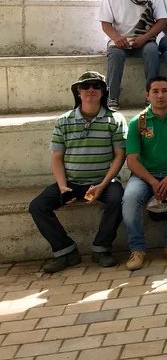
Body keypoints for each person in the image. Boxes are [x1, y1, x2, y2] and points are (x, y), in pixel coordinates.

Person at [28, 71, 126, 273]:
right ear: (78, 92)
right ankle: (65, 251)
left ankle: (101, 248)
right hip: (71, 182)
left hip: (103, 182)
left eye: (96, 86)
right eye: (86, 86)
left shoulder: (114, 119)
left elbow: (119, 156)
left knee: (119, 199)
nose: (91, 90)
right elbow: (56, 157)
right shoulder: (64, 120)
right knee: (37, 206)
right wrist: (63, 186)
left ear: (103, 92)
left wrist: (103, 184)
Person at [122, 76, 167, 270]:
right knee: (129, 198)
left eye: (165, 91)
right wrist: (153, 182)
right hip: (144, 175)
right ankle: (137, 249)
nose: (160, 95)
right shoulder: (137, 123)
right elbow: (131, 160)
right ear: (147, 96)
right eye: (155, 91)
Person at [97, 0, 167, 111]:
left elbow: (162, 21)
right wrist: (117, 38)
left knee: (152, 51)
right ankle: (111, 97)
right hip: (120, 40)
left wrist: (144, 38)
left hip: (145, 40)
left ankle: (152, 97)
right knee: (115, 55)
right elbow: (106, 23)